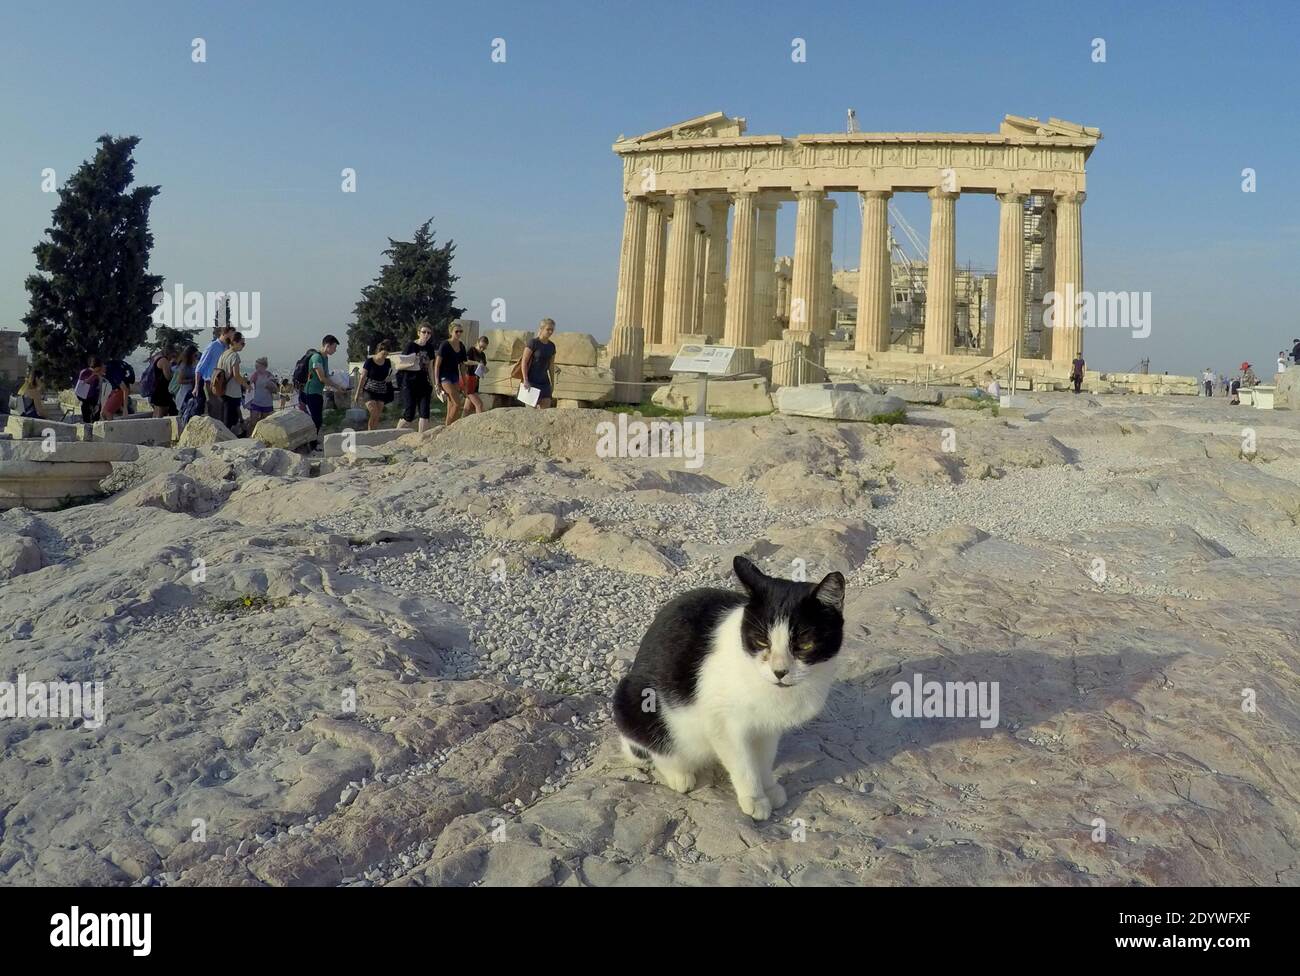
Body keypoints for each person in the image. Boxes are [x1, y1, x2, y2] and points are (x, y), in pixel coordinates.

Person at [300, 334, 348, 451]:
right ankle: (311, 444)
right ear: (327, 345)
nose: (335, 350)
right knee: (315, 419)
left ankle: (313, 442)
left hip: (318, 392)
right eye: (334, 347)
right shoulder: (316, 358)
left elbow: (326, 376)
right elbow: (322, 378)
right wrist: (337, 387)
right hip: (311, 392)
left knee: (318, 419)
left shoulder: (325, 358)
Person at [397, 323, 438, 433]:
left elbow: (430, 367)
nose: (426, 334)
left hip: (424, 382)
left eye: (429, 333)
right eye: (424, 332)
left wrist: (434, 385)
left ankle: (421, 439)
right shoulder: (411, 346)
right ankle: (395, 433)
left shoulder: (430, 348)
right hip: (410, 382)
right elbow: (399, 365)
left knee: (424, 413)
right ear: (418, 332)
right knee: (409, 414)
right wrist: (411, 365)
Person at [196, 325, 235, 420]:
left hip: (222, 382)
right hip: (211, 382)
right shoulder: (213, 346)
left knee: (222, 410)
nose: (231, 338)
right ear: (224, 333)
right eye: (230, 336)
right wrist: (196, 386)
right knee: (214, 410)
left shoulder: (226, 348)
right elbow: (200, 367)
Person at [354, 341, 394, 430]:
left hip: (381, 390)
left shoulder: (387, 362)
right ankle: (369, 432)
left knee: (378, 415)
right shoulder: (370, 361)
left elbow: (389, 374)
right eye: (384, 353)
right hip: (369, 390)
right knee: (374, 412)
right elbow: (362, 377)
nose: (385, 356)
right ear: (379, 351)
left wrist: (389, 378)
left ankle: (374, 431)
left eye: (387, 354)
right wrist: (358, 393)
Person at [435, 324, 469, 426]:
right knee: (457, 404)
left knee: (451, 405)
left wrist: (465, 383)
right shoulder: (445, 345)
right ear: (451, 332)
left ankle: (448, 425)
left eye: (461, 331)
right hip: (445, 376)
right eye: (456, 331)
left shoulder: (461, 346)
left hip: (455, 376)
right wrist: (437, 383)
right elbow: (437, 365)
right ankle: (448, 426)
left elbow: (462, 366)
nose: (459, 333)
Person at [520, 317, 558, 409]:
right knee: (530, 415)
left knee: (545, 414)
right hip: (531, 382)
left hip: (544, 383)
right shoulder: (533, 343)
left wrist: (552, 383)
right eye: (548, 329)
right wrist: (525, 379)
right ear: (541, 329)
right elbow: (524, 361)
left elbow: (551, 366)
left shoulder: (552, 346)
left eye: (552, 330)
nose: (550, 332)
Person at [216, 332, 247, 434]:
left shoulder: (223, 354)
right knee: (231, 419)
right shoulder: (234, 356)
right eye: (242, 343)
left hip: (222, 389)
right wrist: (246, 385)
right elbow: (236, 375)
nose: (243, 346)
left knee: (225, 417)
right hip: (232, 391)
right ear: (234, 342)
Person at [245, 356, 277, 436]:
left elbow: (275, 389)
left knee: (265, 424)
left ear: (264, 366)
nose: (256, 368)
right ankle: (249, 437)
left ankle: (262, 438)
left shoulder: (269, 375)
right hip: (256, 402)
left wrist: (271, 386)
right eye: (255, 366)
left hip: (267, 403)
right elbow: (249, 388)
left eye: (258, 366)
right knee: (253, 422)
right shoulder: (255, 375)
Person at [75, 357, 107, 422]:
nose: (103, 367)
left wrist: (98, 404)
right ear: (98, 366)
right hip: (85, 399)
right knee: (86, 417)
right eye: (101, 366)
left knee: (96, 418)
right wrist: (93, 375)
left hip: (94, 399)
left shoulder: (100, 375)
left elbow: (99, 390)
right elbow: (83, 383)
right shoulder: (85, 372)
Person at [148, 346, 177, 417]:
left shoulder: (157, 358)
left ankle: (154, 426)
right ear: (169, 353)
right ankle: (158, 427)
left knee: (156, 411)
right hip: (162, 391)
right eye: (172, 355)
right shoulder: (164, 361)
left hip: (156, 389)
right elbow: (168, 377)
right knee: (161, 412)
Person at [463, 335, 488, 415]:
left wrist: (484, 369)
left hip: (476, 381)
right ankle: (481, 424)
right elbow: (465, 361)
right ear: (477, 342)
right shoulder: (471, 350)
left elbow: (483, 366)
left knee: (467, 407)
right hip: (468, 379)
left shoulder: (483, 355)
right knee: (479, 404)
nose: (482, 349)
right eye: (481, 347)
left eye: (484, 348)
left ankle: (461, 424)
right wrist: (477, 363)